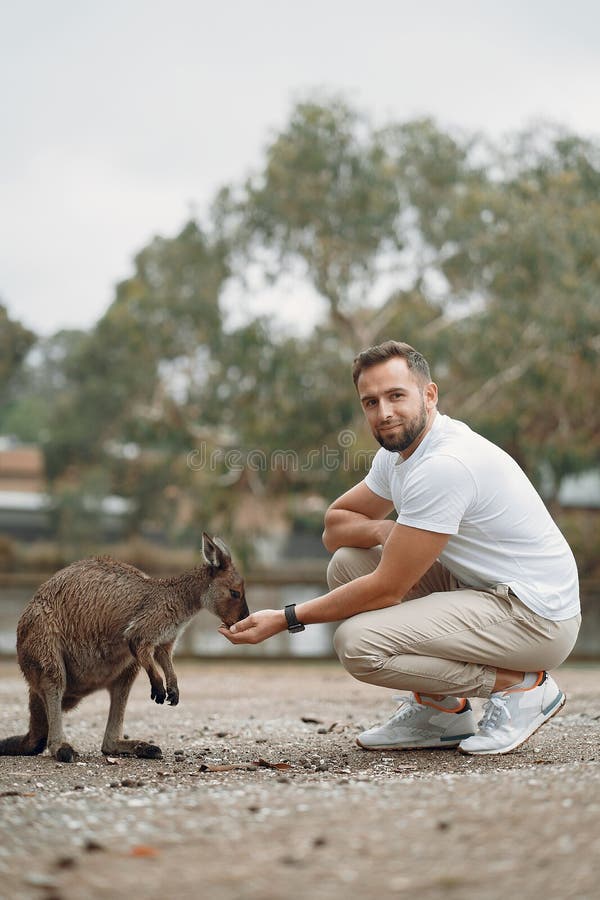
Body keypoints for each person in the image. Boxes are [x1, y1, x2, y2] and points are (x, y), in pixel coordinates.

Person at [220, 340, 581, 755]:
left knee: (358, 645)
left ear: (429, 395)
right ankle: (440, 711)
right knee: (348, 564)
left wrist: (286, 618)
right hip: (482, 590)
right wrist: (381, 530)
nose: (384, 413)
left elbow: (388, 589)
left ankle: (521, 687)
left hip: (536, 617)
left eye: (396, 396)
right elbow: (334, 528)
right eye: (371, 402)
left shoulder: (445, 464)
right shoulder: (399, 455)